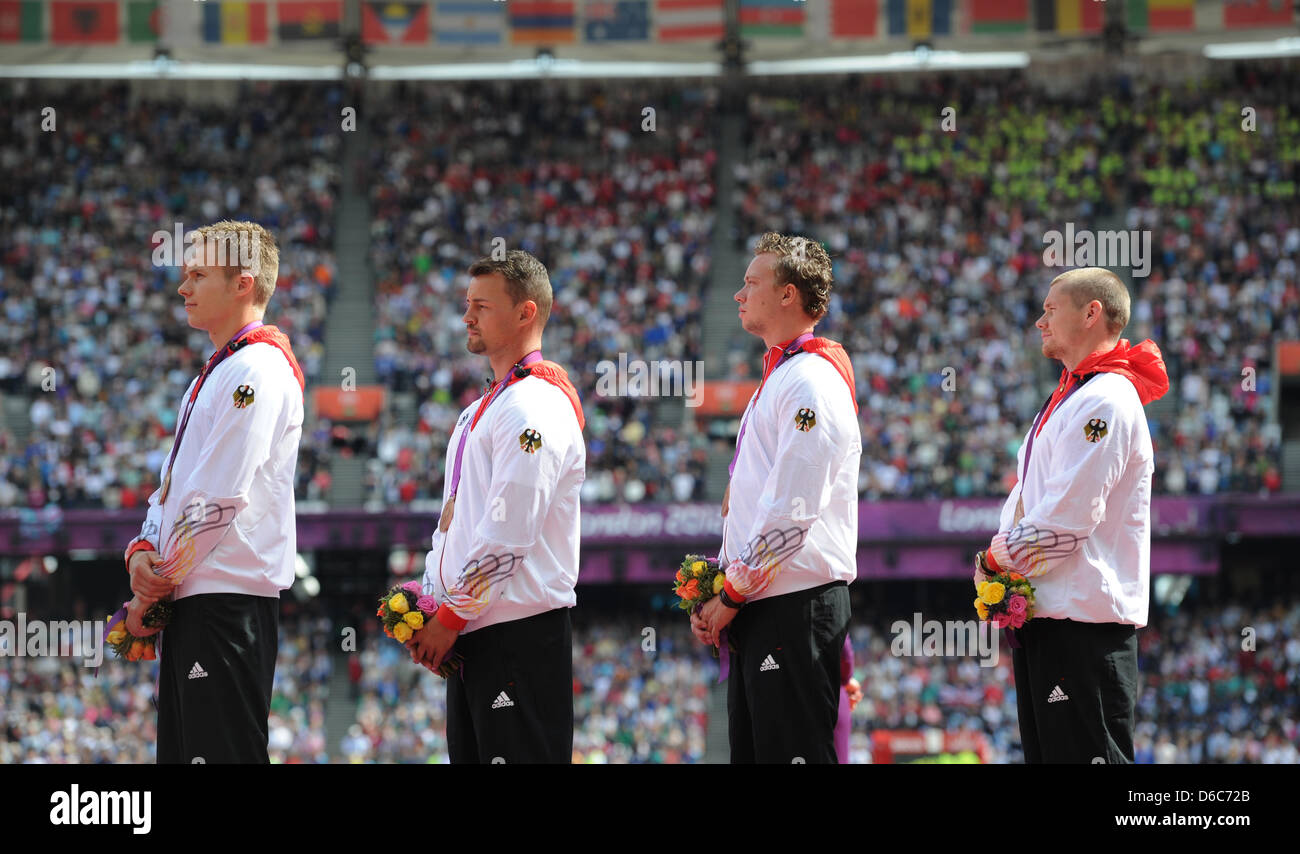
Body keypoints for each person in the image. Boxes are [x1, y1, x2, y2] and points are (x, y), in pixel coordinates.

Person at [123, 220, 305, 764]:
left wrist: (151, 587)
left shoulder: (256, 368)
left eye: (197, 274)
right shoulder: (221, 370)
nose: (183, 288)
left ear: (242, 283)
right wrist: (141, 554)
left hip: (227, 604)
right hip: (197, 596)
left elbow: (216, 496)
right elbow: (175, 489)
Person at [976, 267, 1169, 764]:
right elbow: (1025, 494)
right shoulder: (1070, 396)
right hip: (1053, 618)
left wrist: (997, 562)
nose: (1040, 321)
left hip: (1085, 628)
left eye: (1050, 308)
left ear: (1091, 313)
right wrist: (1001, 564)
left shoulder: (1105, 397)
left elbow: (1067, 519)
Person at [409, 250, 586, 764]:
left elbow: (510, 530)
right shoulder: (482, 409)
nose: (466, 316)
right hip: (476, 629)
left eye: (481, 306)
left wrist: (449, 614)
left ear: (525, 313)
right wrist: (431, 602)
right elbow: (453, 524)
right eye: (468, 304)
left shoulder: (534, 404)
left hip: (517, 632)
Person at [692, 232, 861, 763]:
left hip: (793, 603)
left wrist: (732, 592)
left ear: (788, 295)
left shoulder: (808, 378)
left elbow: (793, 506)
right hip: (771, 601)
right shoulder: (784, 376)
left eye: (751, 283)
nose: (738, 295)